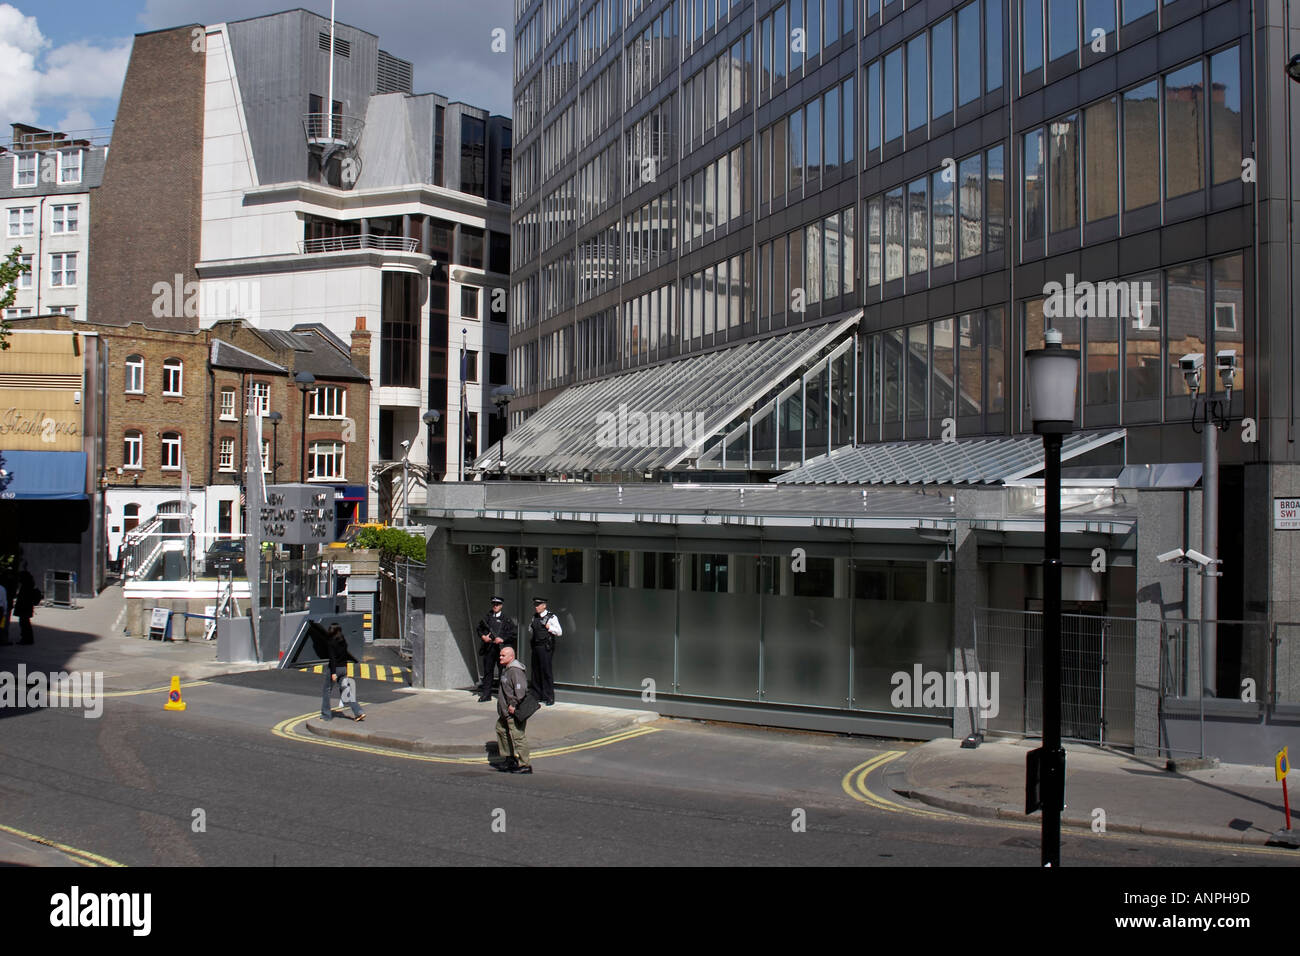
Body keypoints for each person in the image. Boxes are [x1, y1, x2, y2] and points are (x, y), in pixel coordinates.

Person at [494, 645, 531, 774]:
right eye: (500, 655)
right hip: (505, 711)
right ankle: (510, 758)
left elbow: (520, 691)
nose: (500, 657)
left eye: (503, 655)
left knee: (518, 737)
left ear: (511, 657)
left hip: (513, 711)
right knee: (500, 729)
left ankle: (524, 764)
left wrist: (513, 705)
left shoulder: (515, 670)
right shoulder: (506, 669)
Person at [474, 596, 517, 702]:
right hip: (489, 648)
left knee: (503, 673)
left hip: (501, 649)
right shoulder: (487, 617)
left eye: (497, 604)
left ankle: (503, 695)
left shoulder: (506, 619)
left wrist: (502, 639)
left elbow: (513, 633)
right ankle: (486, 695)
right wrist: (484, 637)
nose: (495, 606)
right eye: (493, 604)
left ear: (501, 606)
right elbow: (479, 629)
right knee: (488, 671)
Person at [322, 622, 365, 722]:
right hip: (343, 668)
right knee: (346, 691)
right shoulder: (343, 641)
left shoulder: (331, 642)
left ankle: (326, 715)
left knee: (327, 690)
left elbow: (332, 659)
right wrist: (345, 670)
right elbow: (346, 656)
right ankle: (358, 712)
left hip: (335, 669)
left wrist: (333, 673)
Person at [528, 596, 562, 706]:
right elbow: (531, 629)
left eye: (538, 605)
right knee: (535, 671)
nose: (536, 607)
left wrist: (549, 628)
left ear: (544, 605)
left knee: (546, 671)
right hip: (536, 646)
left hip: (545, 647)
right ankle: (536, 695)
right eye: (535, 605)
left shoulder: (551, 617)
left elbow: (559, 632)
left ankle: (549, 697)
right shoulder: (535, 617)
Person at [15, 566, 36, 646]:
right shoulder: (29, 585)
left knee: (24, 623)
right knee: (26, 623)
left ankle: (26, 638)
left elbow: (23, 599)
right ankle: (27, 638)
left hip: (24, 609)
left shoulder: (26, 587)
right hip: (27, 609)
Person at [0, 574, 9, 646]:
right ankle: (2, 639)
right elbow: (4, 601)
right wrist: (5, 611)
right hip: (0, 609)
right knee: (1, 625)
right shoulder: (2, 588)